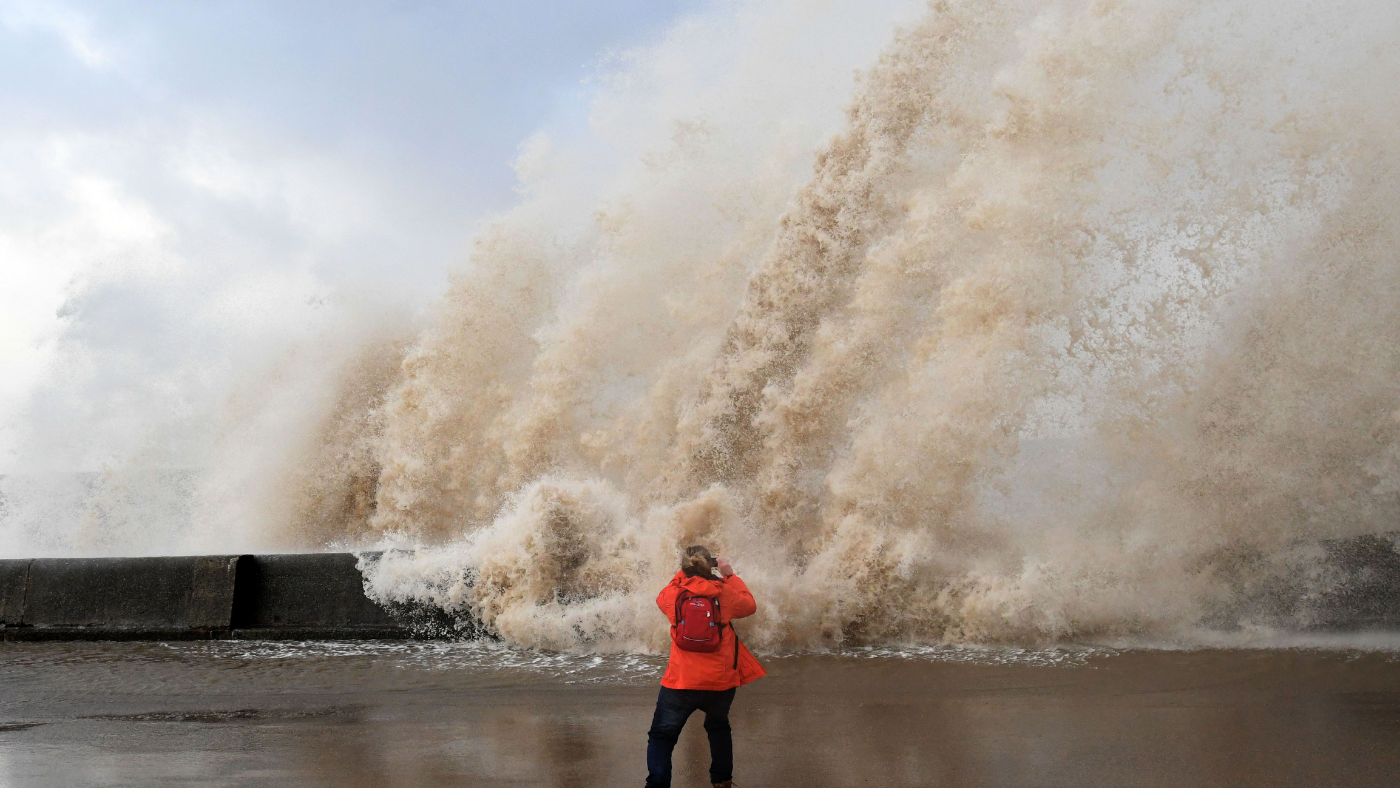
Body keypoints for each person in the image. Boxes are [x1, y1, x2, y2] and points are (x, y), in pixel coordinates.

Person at [646, 545, 766, 788]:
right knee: (718, 726)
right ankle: (722, 781)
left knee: (662, 735)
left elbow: (662, 596)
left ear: (685, 567)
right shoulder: (724, 593)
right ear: (710, 565)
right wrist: (729, 575)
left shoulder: (673, 595)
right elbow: (750, 605)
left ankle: (657, 785)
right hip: (719, 682)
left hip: (680, 682)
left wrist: (683, 575)